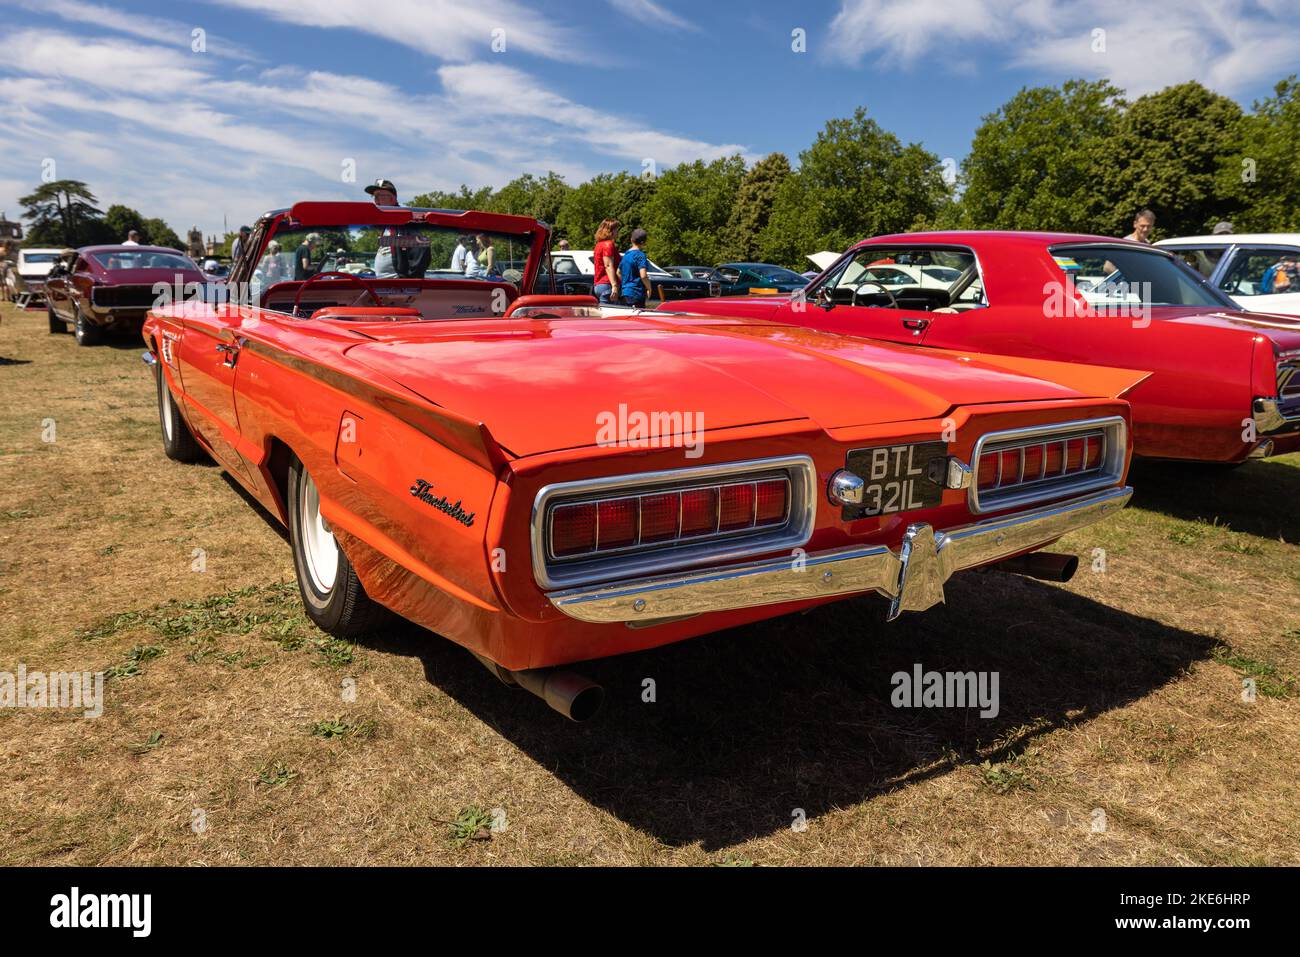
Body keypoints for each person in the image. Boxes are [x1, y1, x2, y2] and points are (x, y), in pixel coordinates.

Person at [619, 228, 651, 308]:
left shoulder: (626, 255)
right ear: (643, 243)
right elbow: (643, 275)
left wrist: (625, 283)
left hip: (625, 293)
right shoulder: (640, 255)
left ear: (631, 240)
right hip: (636, 293)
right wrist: (649, 288)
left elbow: (618, 272)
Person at [592, 219, 620, 304]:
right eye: (616, 230)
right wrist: (614, 286)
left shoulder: (598, 245)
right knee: (611, 315)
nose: (617, 232)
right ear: (610, 231)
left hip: (599, 285)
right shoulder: (608, 244)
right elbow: (608, 265)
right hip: (608, 285)